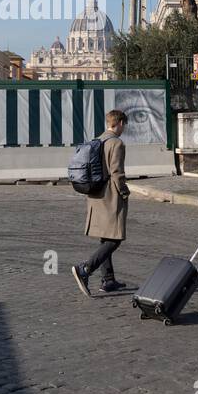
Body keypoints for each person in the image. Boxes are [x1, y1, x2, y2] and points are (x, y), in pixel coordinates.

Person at [71, 110, 130, 296]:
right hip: (110, 196)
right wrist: (124, 192)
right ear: (119, 123)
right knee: (115, 239)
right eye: (124, 125)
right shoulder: (117, 143)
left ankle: (108, 280)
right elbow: (117, 172)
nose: (123, 129)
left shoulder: (97, 141)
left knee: (106, 237)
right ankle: (85, 269)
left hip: (95, 195)